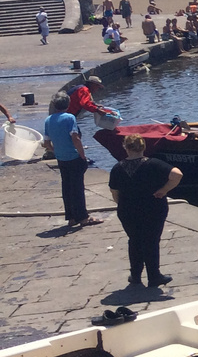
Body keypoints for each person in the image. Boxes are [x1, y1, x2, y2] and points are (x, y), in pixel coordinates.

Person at [108, 133, 181, 288]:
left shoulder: (117, 168)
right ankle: (154, 276)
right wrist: (164, 190)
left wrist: (123, 204)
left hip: (128, 210)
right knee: (151, 241)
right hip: (152, 208)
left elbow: (114, 192)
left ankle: (135, 275)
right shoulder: (154, 164)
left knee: (134, 240)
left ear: (126, 148)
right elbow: (177, 174)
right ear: (143, 147)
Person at [42, 93, 99, 229]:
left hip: (61, 158)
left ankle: (71, 217)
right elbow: (75, 138)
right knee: (77, 187)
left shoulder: (48, 120)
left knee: (66, 187)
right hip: (73, 157)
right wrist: (82, 155)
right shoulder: (69, 118)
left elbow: (47, 143)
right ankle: (83, 217)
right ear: (67, 104)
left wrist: (56, 151)